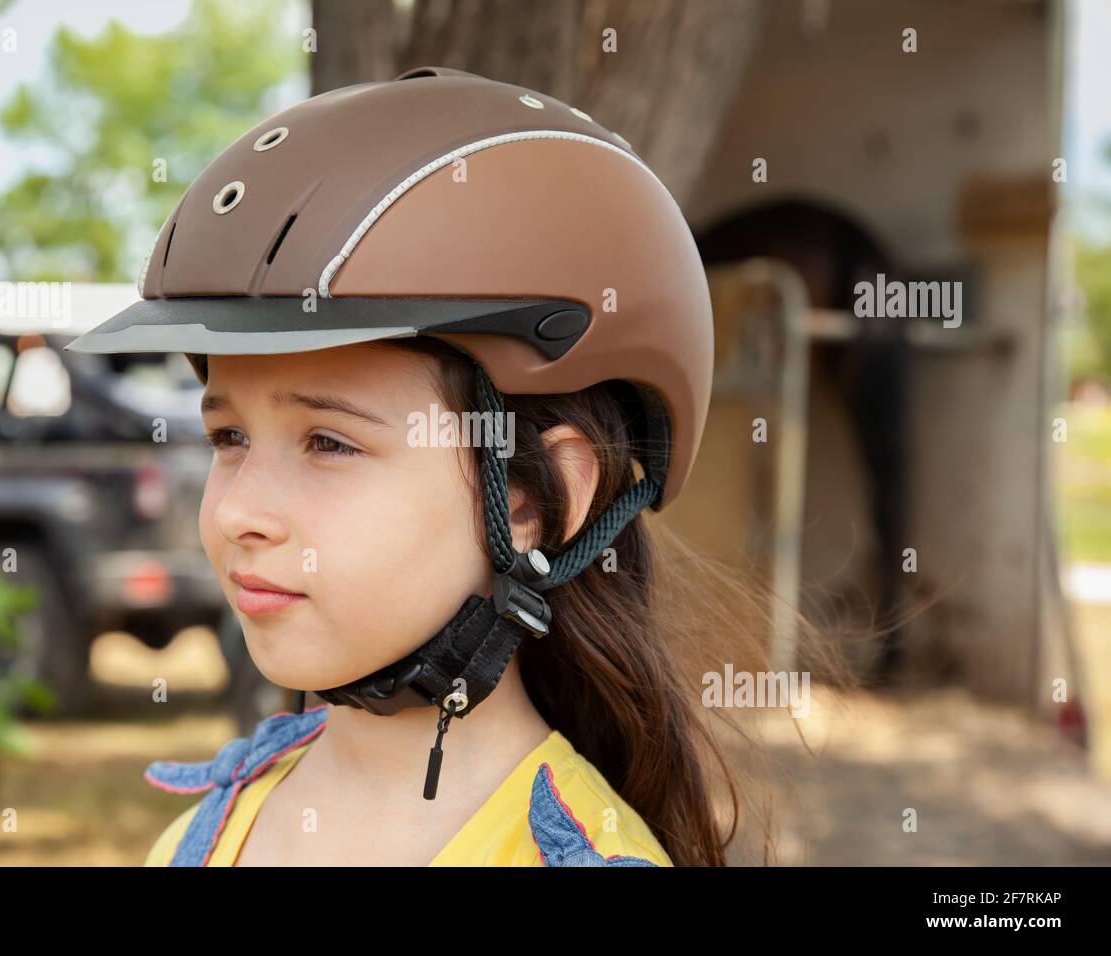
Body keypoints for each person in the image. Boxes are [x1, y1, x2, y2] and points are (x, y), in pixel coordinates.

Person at [66, 66, 838, 867]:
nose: (235, 514)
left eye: (329, 443)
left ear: (542, 499)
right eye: (228, 438)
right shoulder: (206, 835)